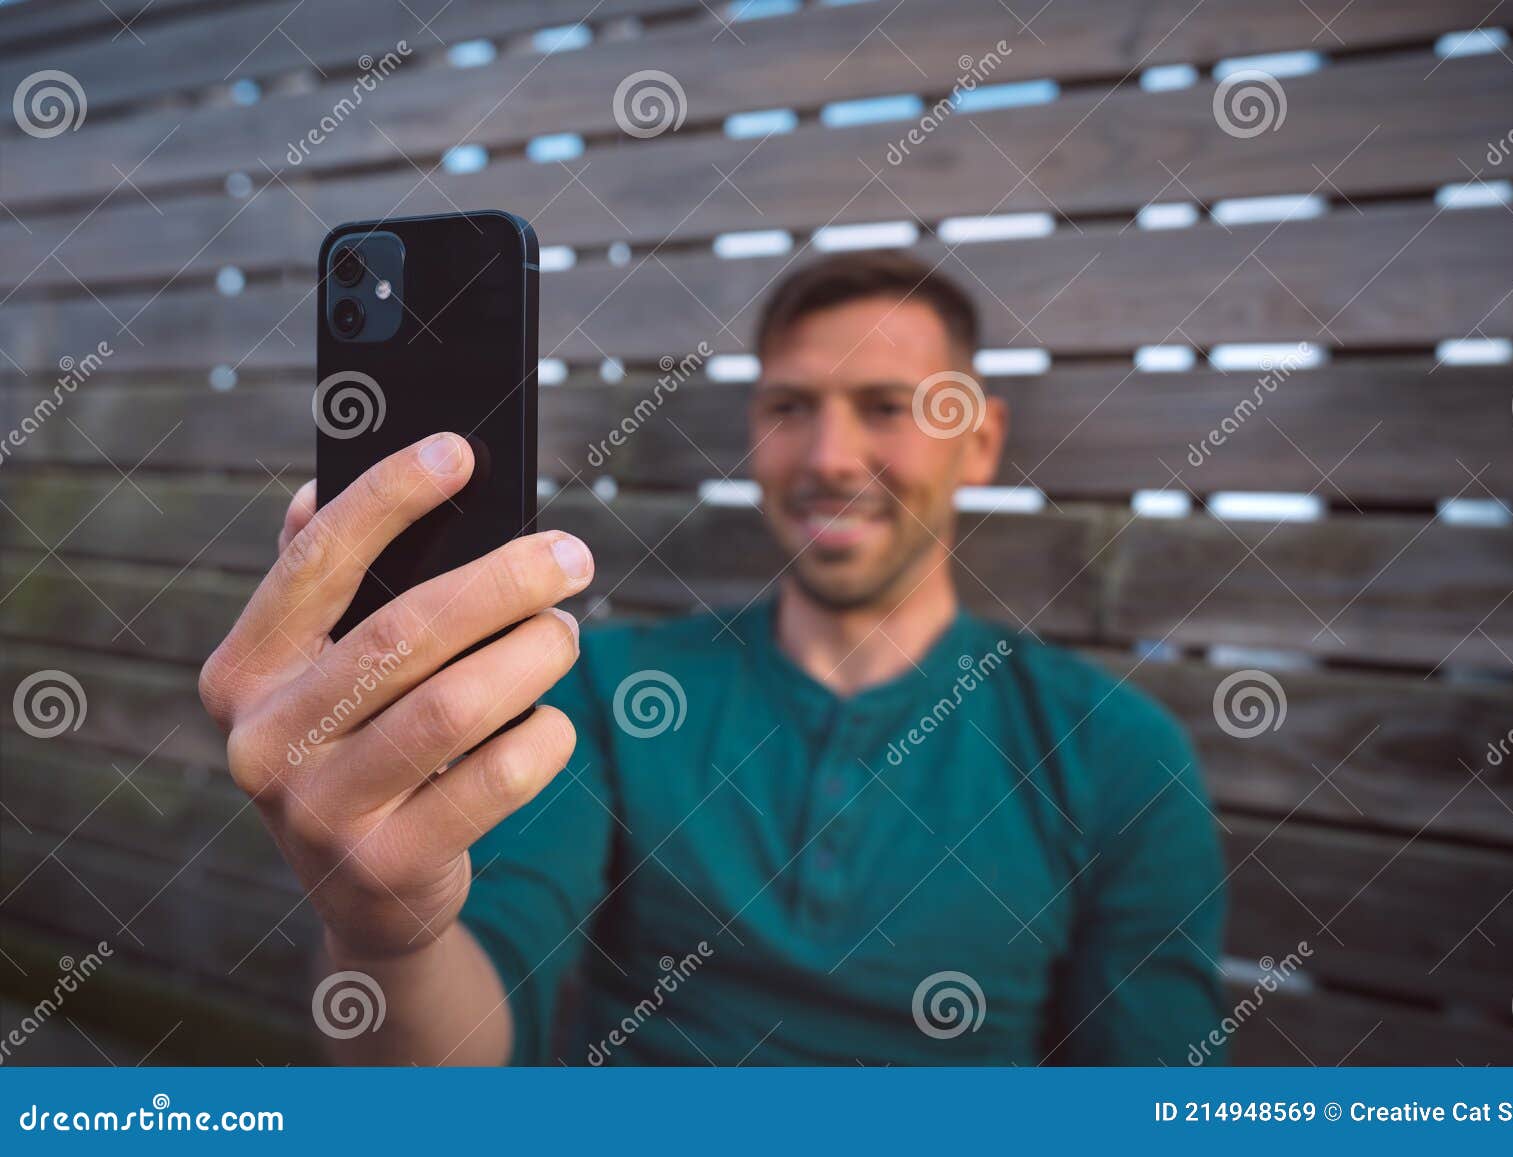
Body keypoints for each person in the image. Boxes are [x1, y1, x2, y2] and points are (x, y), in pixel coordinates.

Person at [199, 251, 1226, 1066]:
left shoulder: (1117, 756)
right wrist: (387, 939)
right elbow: (467, 1044)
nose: (827, 456)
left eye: (883, 405)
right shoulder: (609, 690)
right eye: (790, 406)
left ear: (982, 437)